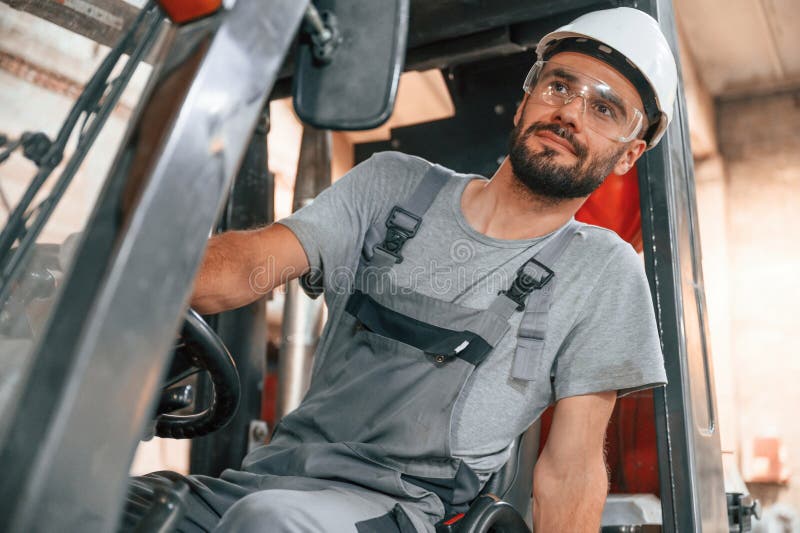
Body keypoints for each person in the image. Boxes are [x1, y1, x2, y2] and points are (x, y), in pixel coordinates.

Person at [153, 6, 679, 533]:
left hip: (400, 512)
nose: (570, 113)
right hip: (265, 482)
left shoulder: (600, 270)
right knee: (114, 500)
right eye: (560, 86)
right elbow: (247, 267)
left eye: (605, 110)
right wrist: (119, 279)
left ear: (629, 156)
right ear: (525, 102)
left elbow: (571, 468)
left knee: (269, 522)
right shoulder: (392, 186)